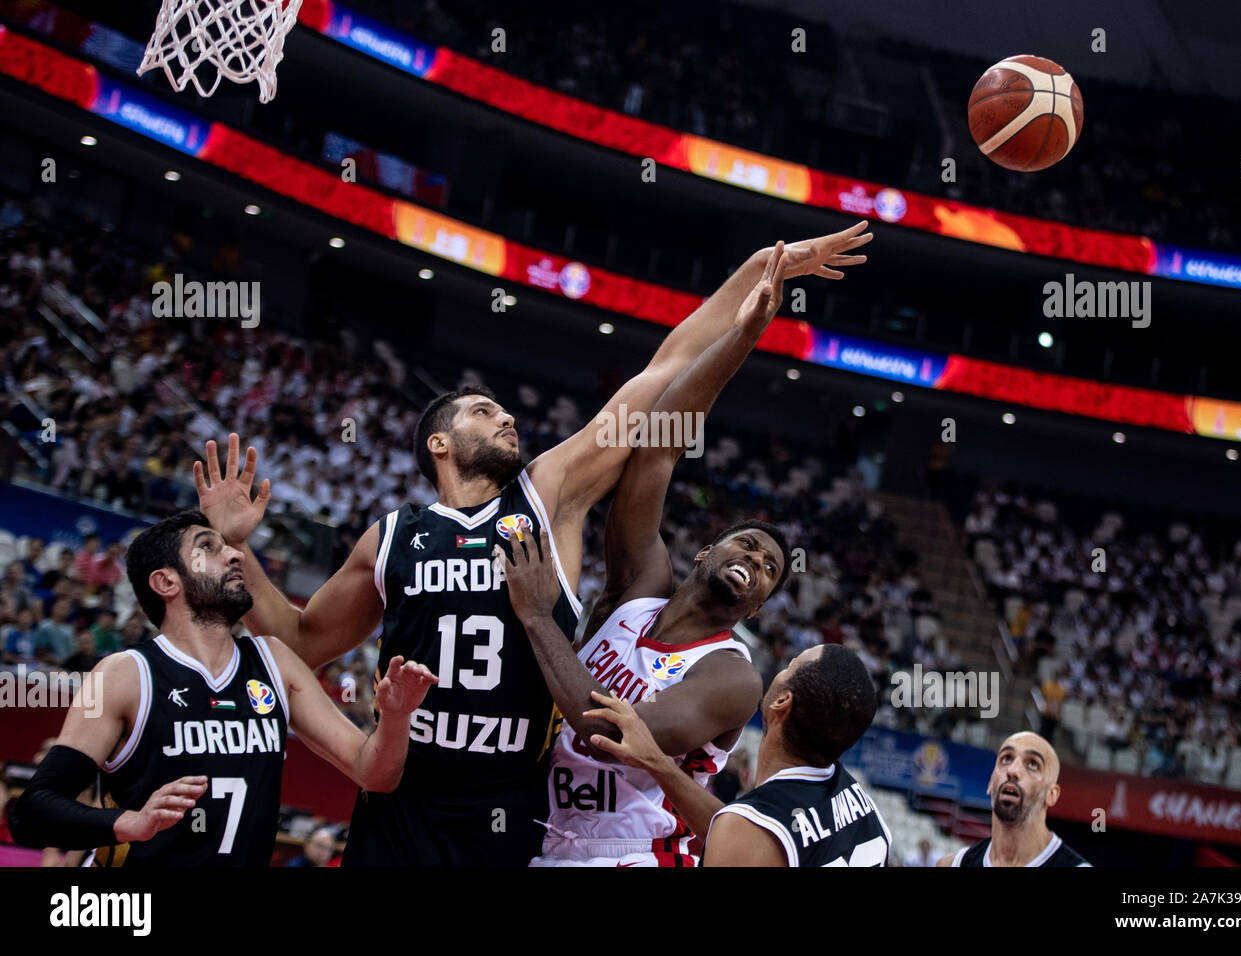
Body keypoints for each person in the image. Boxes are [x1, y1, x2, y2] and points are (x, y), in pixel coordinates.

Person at [194, 224, 872, 866]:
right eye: (484, 412)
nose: (508, 416)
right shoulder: (392, 536)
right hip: (404, 791)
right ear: (440, 443)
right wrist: (235, 548)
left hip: (509, 803)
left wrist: (760, 268)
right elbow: (302, 638)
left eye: (505, 410)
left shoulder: (548, 494)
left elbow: (665, 371)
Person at [497, 244, 794, 865]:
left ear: (760, 606)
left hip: (634, 853)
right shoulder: (640, 584)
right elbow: (657, 448)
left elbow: (608, 734)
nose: (756, 561)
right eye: (748, 544)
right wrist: (742, 337)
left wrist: (533, 616)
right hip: (544, 831)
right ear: (706, 550)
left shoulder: (731, 675)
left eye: (770, 570)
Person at [8, 511, 434, 866]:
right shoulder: (126, 674)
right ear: (166, 583)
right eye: (208, 547)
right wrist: (127, 822)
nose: (234, 554)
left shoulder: (274, 661)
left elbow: (373, 774)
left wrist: (396, 719)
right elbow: (33, 811)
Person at [579, 643, 891, 866]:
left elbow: (744, 836)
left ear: (782, 701)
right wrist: (658, 764)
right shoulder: (859, 801)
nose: (782, 670)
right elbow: (736, 830)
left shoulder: (754, 829)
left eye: (790, 665)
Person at [938, 731, 1090, 867]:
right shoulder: (953, 864)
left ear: (1051, 795)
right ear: (991, 782)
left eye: (1032, 764)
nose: (1012, 771)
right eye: (1006, 759)